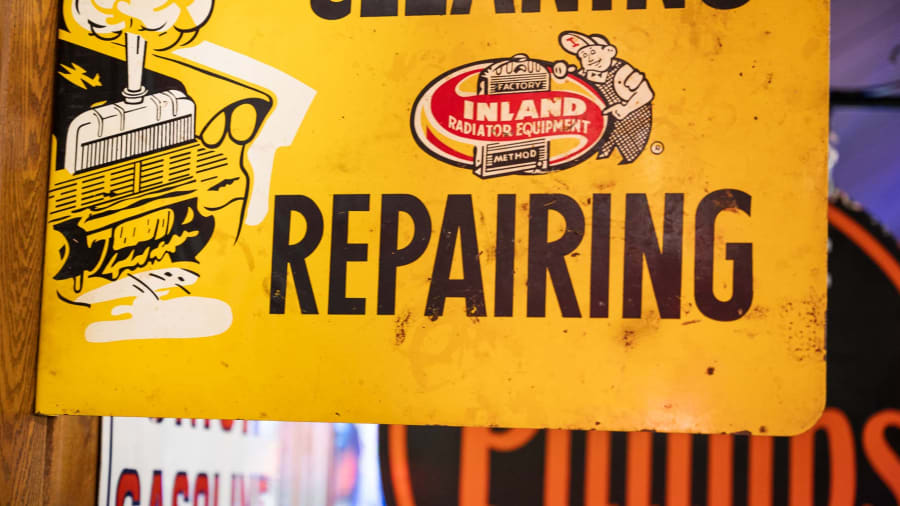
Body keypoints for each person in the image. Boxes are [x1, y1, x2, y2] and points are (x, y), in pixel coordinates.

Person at [553, 31, 654, 164]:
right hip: (600, 141)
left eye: (593, 52)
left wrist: (626, 109)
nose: (589, 58)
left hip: (630, 136)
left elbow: (646, 92)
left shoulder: (622, 71)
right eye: (584, 55)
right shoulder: (585, 74)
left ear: (609, 51)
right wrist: (561, 74)